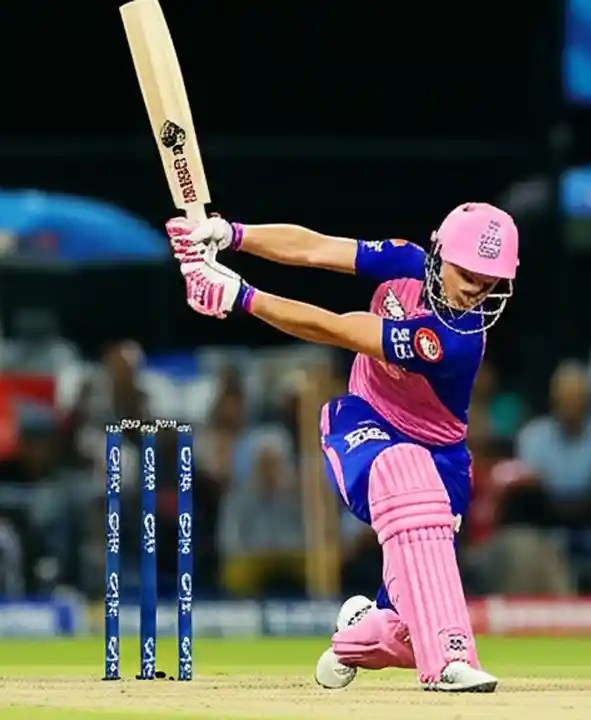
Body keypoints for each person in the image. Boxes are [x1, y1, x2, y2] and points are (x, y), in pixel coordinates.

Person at [168, 202, 520, 692]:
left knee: (397, 632)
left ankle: (360, 629)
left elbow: (335, 329)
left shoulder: (455, 340)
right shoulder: (405, 261)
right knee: (404, 464)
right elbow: (315, 248)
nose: (476, 290)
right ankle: (448, 662)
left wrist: (241, 296)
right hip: (364, 423)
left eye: (488, 282)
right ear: (440, 253)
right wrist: (230, 234)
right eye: (468, 274)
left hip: (444, 464)